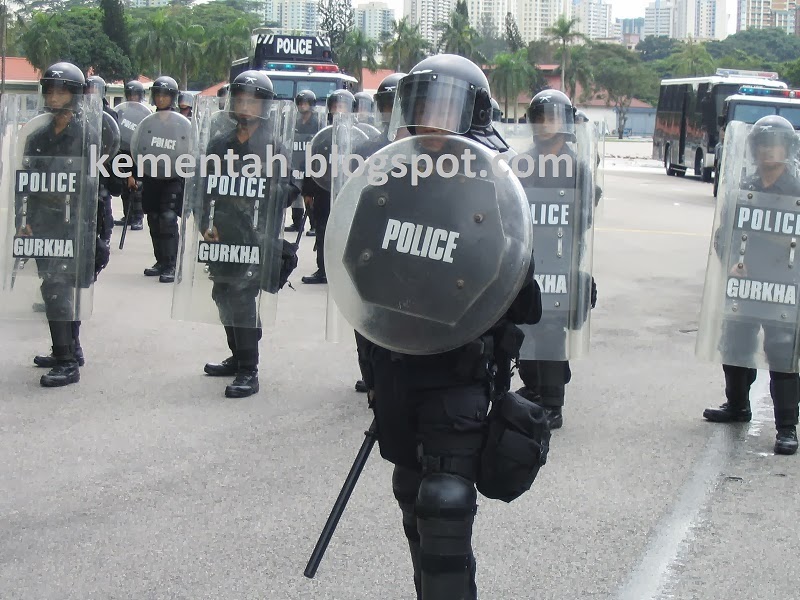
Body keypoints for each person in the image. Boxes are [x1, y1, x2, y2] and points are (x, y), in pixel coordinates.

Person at [362, 54, 541, 600]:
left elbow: (523, 299)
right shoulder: (386, 183)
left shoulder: (493, 191)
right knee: (414, 499)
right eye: (421, 109)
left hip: (461, 375)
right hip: (397, 370)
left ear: (471, 116)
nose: (430, 123)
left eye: (444, 110)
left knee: (445, 506)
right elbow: (359, 267)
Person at [702, 115, 800, 455]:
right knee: (735, 345)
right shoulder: (745, 188)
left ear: (787, 149)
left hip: (783, 288)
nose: (769, 149)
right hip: (744, 285)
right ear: (754, 149)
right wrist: (729, 261)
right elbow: (723, 234)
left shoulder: (797, 191)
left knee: (783, 354)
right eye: (763, 143)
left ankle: (787, 427)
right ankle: (737, 406)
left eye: (776, 143)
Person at [199, 71, 291, 398]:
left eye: (252, 100)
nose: (245, 106)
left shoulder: (273, 146)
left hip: (255, 237)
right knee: (222, 296)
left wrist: (266, 192)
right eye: (240, 99)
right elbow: (203, 190)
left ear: (264, 105)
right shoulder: (219, 143)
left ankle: (249, 370)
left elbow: (291, 187)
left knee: (241, 297)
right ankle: (237, 356)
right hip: (223, 236)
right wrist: (204, 225)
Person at [513, 90, 597, 431]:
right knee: (524, 330)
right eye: (540, 117)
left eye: (552, 117)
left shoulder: (577, 168)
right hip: (527, 261)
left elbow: (585, 218)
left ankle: (553, 403)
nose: (546, 124)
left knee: (550, 331)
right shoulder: (522, 162)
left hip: (559, 261)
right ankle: (533, 387)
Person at [22, 63, 110, 386]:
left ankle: (67, 360)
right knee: (53, 287)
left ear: (75, 95)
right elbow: (27, 185)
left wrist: (99, 231)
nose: (55, 96)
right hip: (44, 224)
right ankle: (69, 347)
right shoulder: (37, 136)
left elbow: (99, 189)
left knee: (59, 288)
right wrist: (25, 223)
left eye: (63, 90)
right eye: (51, 89)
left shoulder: (88, 135)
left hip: (74, 224)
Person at [353, 72, 405, 395]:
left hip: (404, 240)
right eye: (386, 105)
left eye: (396, 104)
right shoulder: (367, 146)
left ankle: (391, 374)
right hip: (373, 238)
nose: (391, 112)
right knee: (364, 312)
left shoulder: (423, 148)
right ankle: (370, 374)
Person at [300, 89, 357, 285]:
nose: (339, 111)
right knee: (324, 230)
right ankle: (323, 269)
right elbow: (312, 163)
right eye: (335, 107)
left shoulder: (359, 137)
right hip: (325, 191)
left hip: (350, 192)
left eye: (343, 107)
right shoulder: (323, 136)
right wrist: (308, 191)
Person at [140, 76, 184, 283]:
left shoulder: (181, 123)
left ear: (172, 97)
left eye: (165, 94)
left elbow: (188, 148)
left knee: (168, 218)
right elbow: (140, 146)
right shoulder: (149, 122)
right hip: (152, 175)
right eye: (157, 94)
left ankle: (172, 263)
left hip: (173, 176)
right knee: (154, 218)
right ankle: (160, 260)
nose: (160, 98)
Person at [286, 89, 321, 234]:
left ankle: (313, 225)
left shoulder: (317, 122)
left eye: (305, 103)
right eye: (300, 103)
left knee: (309, 195)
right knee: (296, 194)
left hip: (310, 162)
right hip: (296, 160)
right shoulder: (295, 121)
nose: (302, 106)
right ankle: (297, 223)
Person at [114, 80, 146, 230]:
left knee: (137, 186)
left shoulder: (145, 114)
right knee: (124, 186)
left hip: (138, 153)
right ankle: (127, 214)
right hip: (123, 150)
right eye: (130, 95)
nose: (133, 97)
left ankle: (138, 217)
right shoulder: (121, 112)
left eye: (135, 95)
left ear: (140, 96)